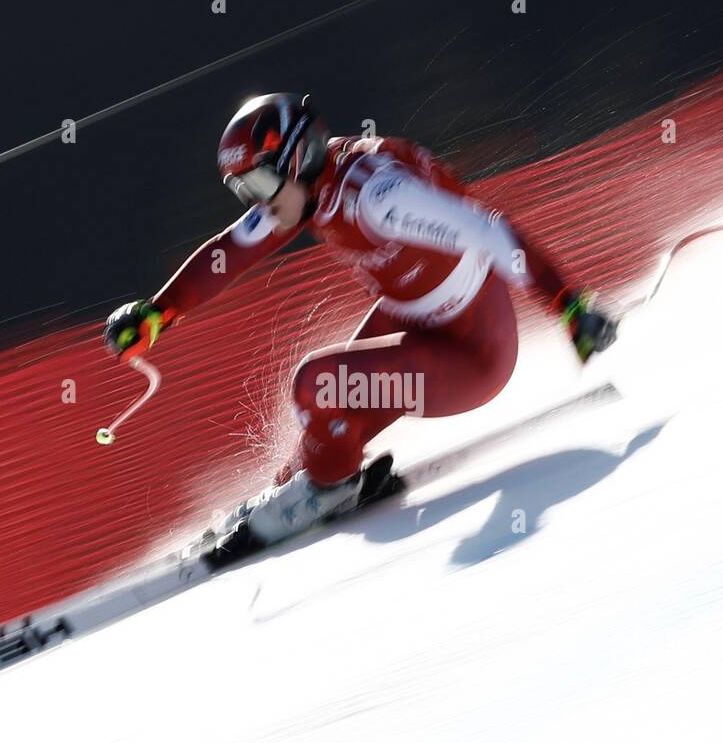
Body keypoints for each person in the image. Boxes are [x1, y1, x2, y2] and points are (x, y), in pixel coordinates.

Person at [104, 92, 616, 544]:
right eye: (243, 190)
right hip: (419, 324)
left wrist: (568, 305)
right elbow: (232, 250)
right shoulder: (311, 189)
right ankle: (306, 487)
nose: (255, 202)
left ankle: (330, 491)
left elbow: (488, 232)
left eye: (258, 184)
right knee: (312, 441)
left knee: (316, 386)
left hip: (471, 356)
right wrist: (157, 313)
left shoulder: (379, 196)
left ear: (297, 158)